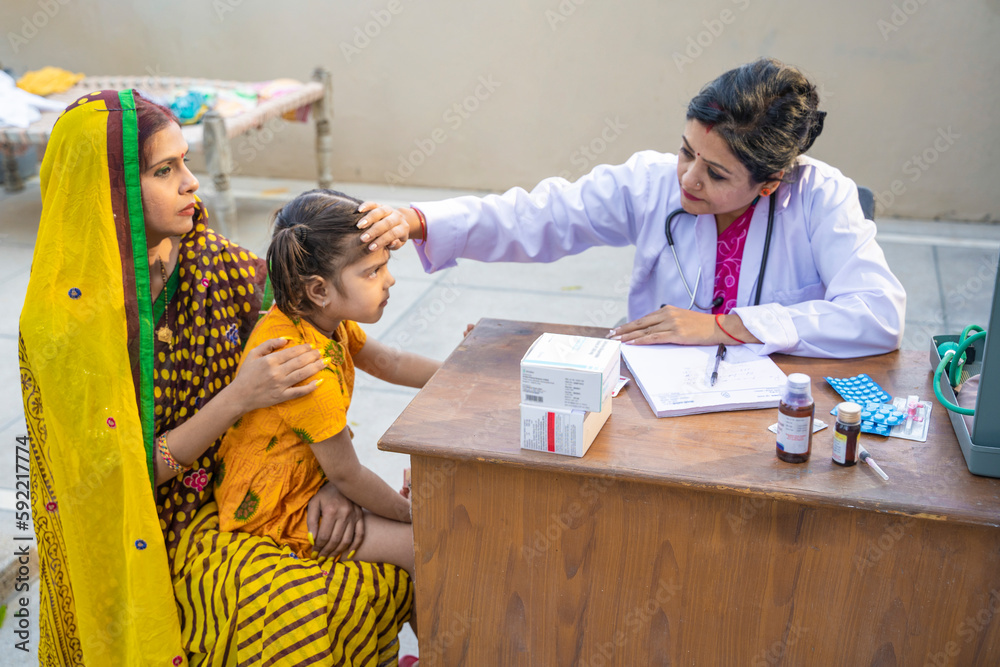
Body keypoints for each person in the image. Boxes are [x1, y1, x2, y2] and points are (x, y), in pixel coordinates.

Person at [19, 90, 413, 665]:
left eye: (185, 162)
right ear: (110, 193)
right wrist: (238, 398)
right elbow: (116, 486)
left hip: (263, 488)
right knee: (295, 612)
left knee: (384, 572)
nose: (191, 183)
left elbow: (314, 312)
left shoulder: (211, 261)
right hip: (165, 528)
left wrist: (325, 477)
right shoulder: (71, 325)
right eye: (164, 169)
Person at [358, 58, 906, 359]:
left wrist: (726, 328)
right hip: (659, 392)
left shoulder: (819, 197)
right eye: (687, 152)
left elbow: (878, 315)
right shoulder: (649, 181)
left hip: (774, 412)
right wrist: (420, 220)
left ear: (770, 183)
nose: (688, 179)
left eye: (716, 174)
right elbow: (543, 216)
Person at [215, 189, 440, 581]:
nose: (389, 281)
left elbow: (392, 363)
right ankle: (437, 646)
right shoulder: (303, 366)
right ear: (319, 289)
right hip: (276, 508)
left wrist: (460, 373)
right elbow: (347, 474)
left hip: (306, 479)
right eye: (372, 272)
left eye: (385, 265)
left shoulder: (318, 317)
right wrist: (410, 515)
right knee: (420, 544)